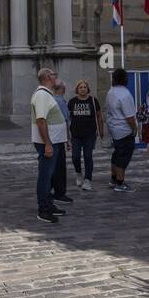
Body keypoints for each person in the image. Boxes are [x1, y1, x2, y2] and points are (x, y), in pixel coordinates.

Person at [31, 68, 68, 225]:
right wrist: (47, 144)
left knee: (50, 175)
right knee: (45, 177)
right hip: (48, 142)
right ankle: (43, 209)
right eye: (54, 75)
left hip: (54, 141)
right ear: (47, 77)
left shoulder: (46, 94)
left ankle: (49, 204)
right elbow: (41, 120)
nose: (56, 77)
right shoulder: (41, 95)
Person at [104, 67, 137, 193]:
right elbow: (129, 116)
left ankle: (113, 179)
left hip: (113, 127)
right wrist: (134, 128)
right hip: (123, 129)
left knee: (117, 154)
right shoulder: (125, 94)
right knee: (123, 156)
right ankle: (120, 182)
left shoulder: (111, 91)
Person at [68, 80, 103, 191]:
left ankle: (88, 180)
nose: (82, 89)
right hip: (76, 134)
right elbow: (67, 118)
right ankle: (78, 173)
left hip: (90, 134)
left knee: (88, 156)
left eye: (84, 87)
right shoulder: (72, 102)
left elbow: (99, 116)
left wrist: (101, 131)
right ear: (77, 89)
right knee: (75, 157)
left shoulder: (93, 100)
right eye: (80, 87)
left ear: (88, 89)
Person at [50, 80, 73, 206]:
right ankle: (60, 192)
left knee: (54, 166)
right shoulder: (60, 101)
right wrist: (68, 139)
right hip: (58, 138)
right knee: (60, 167)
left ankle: (52, 190)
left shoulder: (51, 99)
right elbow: (65, 122)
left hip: (52, 137)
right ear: (62, 89)